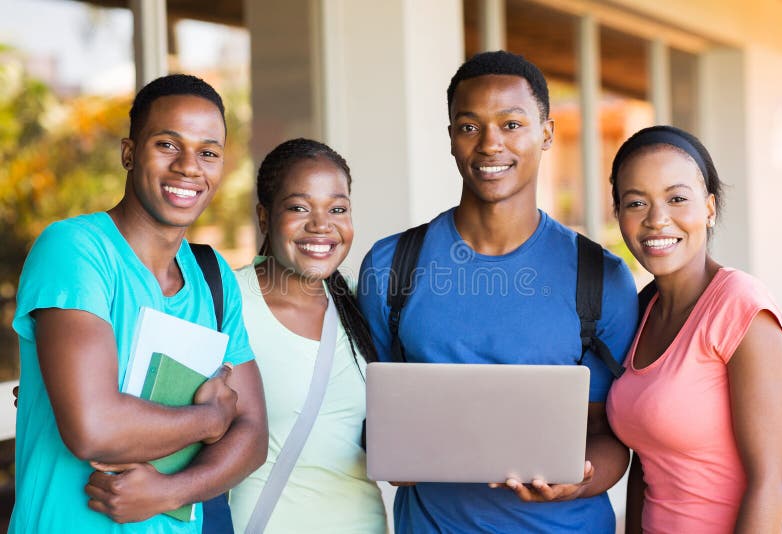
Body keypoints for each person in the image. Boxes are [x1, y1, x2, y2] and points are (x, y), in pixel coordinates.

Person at [357, 50, 637, 533]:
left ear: (546, 133)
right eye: (469, 127)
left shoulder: (599, 277)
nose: (490, 144)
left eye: (511, 124)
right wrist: (386, 450)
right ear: (451, 139)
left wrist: (581, 480)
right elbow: (366, 416)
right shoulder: (390, 267)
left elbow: (609, 437)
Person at [10, 74, 267, 533]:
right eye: (168, 145)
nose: (190, 167)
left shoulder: (213, 277)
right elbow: (93, 428)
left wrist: (170, 492)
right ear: (129, 153)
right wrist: (210, 418)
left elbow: (253, 436)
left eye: (208, 152)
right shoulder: (75, 251)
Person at [606, 125, 782, 533]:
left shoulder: (740, 305)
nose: (657, 220)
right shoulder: (640, 311)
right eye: (636, 203)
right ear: (619, 214)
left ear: (709, 208)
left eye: (677, 198)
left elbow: (773, 481)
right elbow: (646, 461)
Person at [227, 138, 387, 532]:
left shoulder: (360, 302)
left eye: (337, 209)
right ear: (264, 217)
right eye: (299, 208)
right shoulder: (228, 303)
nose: (321, 225)